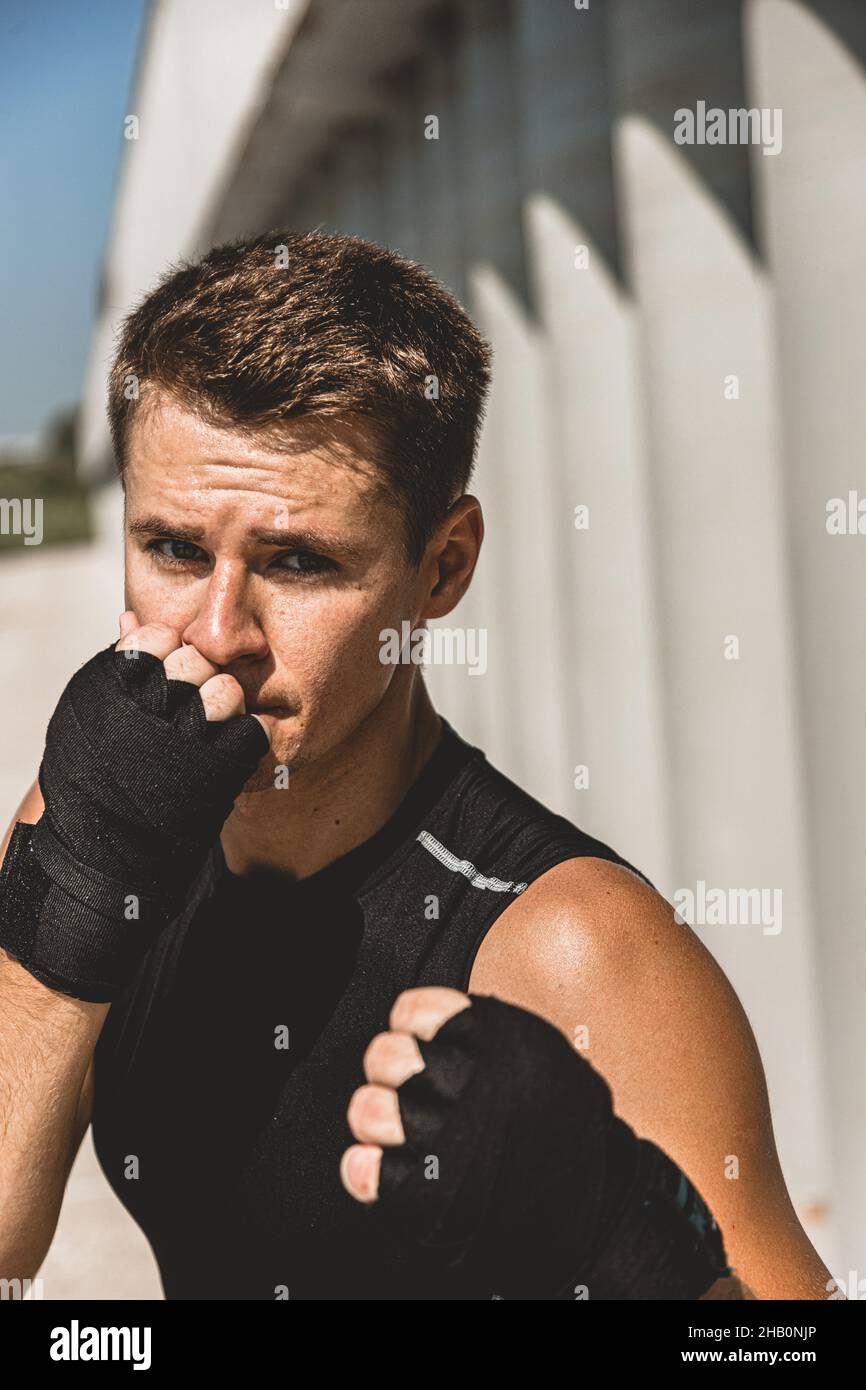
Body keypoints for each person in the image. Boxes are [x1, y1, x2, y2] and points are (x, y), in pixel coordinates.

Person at [0, 231, 832, 1300]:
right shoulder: (103, 818)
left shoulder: (575, 950)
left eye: (297, 562)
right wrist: (65, 915)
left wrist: (621, 1239)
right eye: (173, 549)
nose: (217, 631)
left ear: (441, 569)